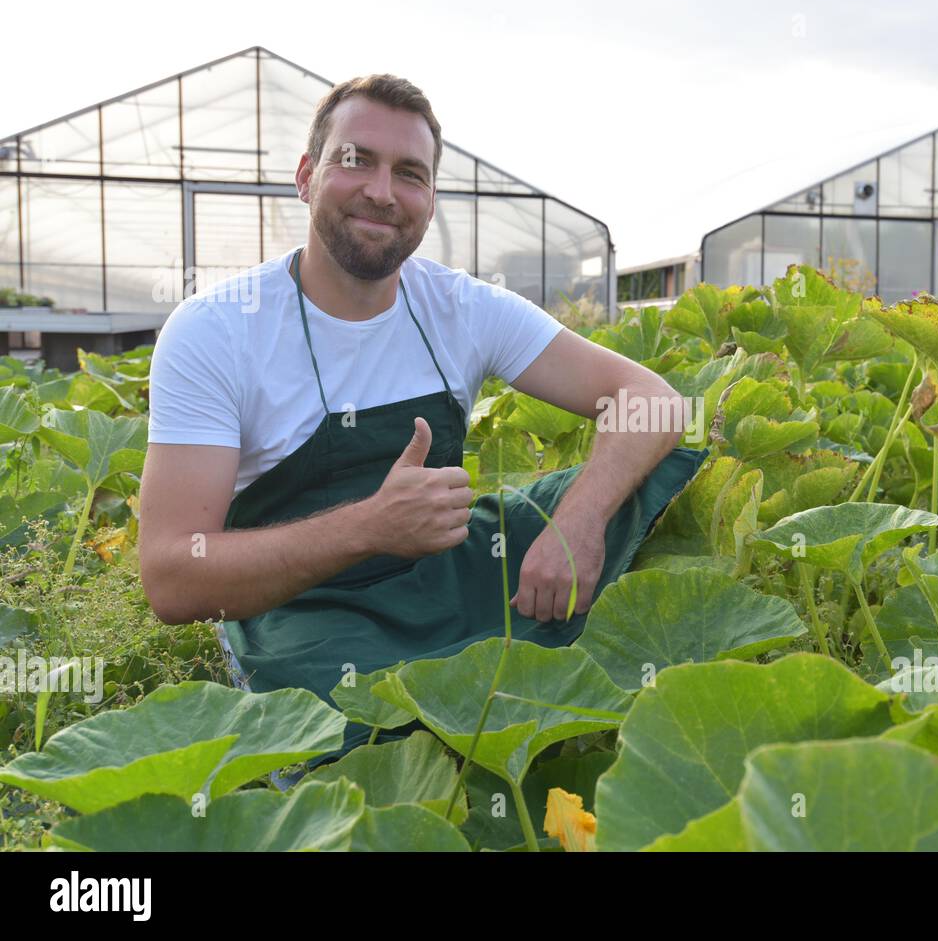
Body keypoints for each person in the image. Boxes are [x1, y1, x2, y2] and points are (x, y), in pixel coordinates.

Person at [138, 74, 706, 777]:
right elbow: (169, 575)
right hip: (302, 609)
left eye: (410, 174)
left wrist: (578, 524)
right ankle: (477, 719)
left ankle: (544, 695)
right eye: (356, 161)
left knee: (658, 477)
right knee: (375, 734)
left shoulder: (460, 306)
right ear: (307, 177)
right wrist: (368, 527)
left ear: (430, 200)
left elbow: (652, 401)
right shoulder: (218, 330)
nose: (382, 190)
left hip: (438, 568)